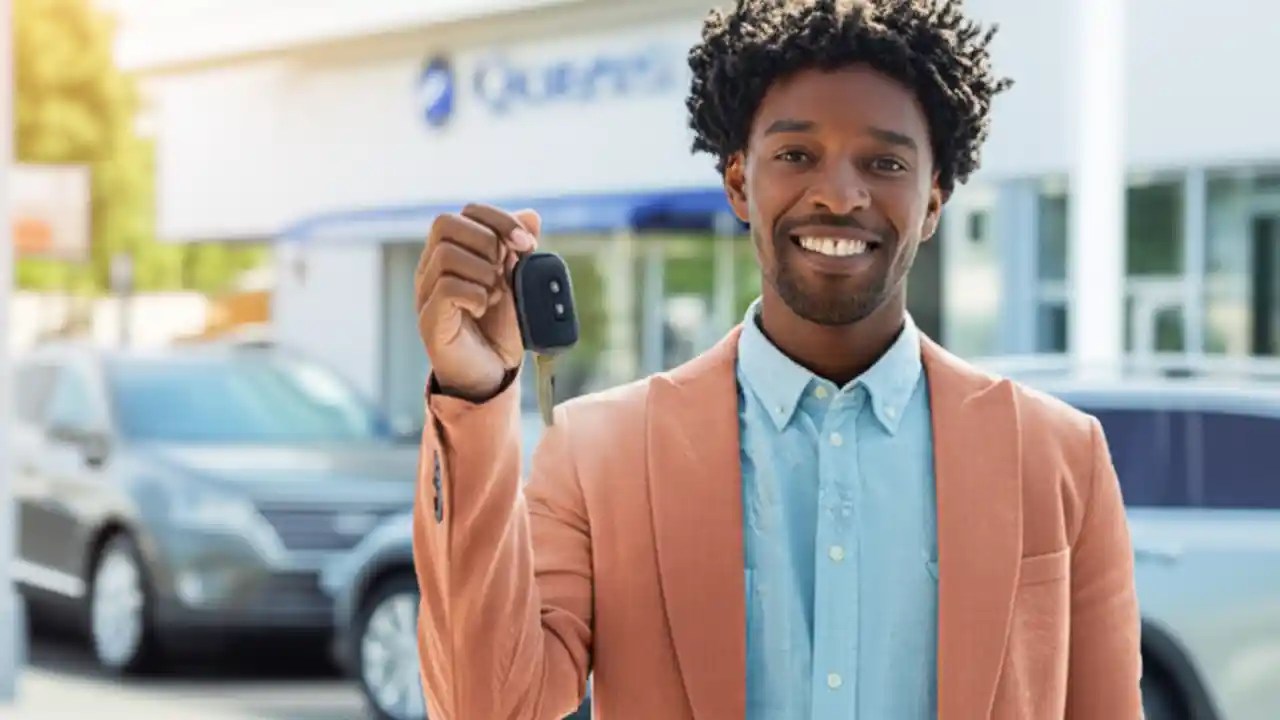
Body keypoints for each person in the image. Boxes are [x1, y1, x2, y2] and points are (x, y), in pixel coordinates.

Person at [412, 0, 1143, 718]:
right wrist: (473, 391)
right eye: (796, 155)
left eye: (884, 162)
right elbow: (487, 706)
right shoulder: (600, 452)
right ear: (738, 182)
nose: (838, 194)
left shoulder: (1058, 458)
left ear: (932, 204)